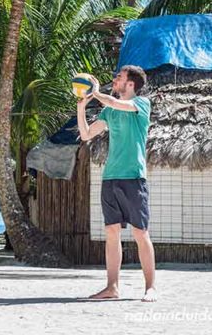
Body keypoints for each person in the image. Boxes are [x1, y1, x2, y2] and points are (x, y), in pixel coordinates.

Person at [77, 65, 157, 302]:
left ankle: (150, 287)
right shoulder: (109, 113)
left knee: (140, 233)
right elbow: (86, 134)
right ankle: (112, 287)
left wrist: (96, 93)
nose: (115, 80)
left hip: (134, 178)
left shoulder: (142, 104)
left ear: (130, 84)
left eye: (119, 78)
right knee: (111, 232)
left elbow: (117, 104)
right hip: (111, 178)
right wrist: (82, 107)